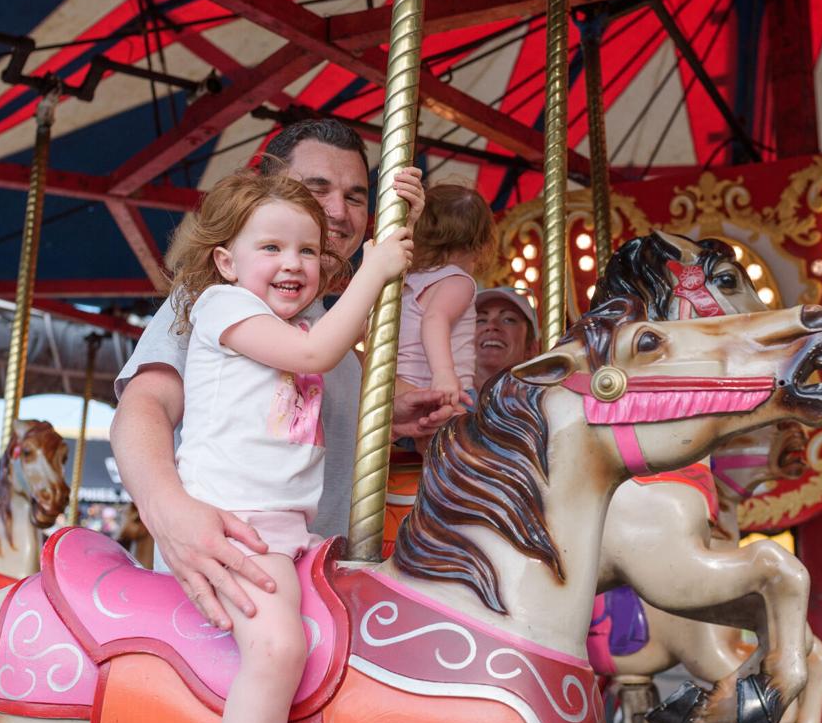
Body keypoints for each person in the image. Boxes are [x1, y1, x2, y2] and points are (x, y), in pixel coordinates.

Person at [112, 119, 452, 632]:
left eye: (356, 197)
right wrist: (166, 509)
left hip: (320, 575)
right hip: (237, 564)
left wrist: (395, 412)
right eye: (317, 189)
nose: (337, 211)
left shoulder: (326, 324)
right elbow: (145, 405)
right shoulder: (220, 299)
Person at [163, 170, 412, 723]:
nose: (293, 263)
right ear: (226, 262)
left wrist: (401, 227)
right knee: (279, 648)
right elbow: (317, 352)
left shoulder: (294, 324)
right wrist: (374, 269)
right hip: (238, 528)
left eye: (307, 250)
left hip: (288, 531)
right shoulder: (222, 307)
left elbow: (348, 331)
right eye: (271, 248)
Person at [395, 184, 496, 410]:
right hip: (447, 391)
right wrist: (444, 373)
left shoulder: (408, 281)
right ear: (479, 245)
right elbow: (435, 318)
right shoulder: (458, 280)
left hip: (402, 392)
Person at [473, 286, 540, 391]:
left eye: (508, 319)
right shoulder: (447, 396)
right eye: (481, 320)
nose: (491, 326)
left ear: (531, 348)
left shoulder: (545, 400)